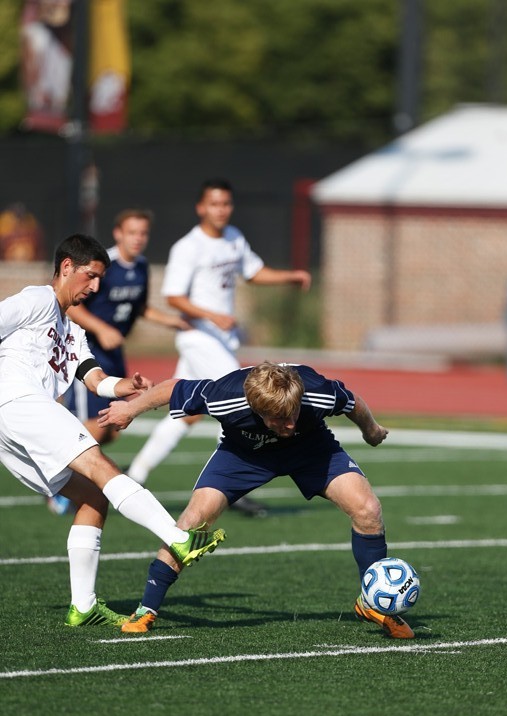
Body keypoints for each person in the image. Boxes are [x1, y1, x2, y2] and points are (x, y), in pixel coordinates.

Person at [0, 233, 225, 628]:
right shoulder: (38, 299)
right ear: (66, 267)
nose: (95, 287)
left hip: (13, 419)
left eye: (100, 279)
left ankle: (83, 607)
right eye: (90, 276)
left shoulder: (73, 329)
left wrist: (130, 388)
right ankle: (178, 538)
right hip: (17, 401)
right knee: (101, 466)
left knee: (93, 497)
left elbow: (96, 379)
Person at [99, 361, 415, 640]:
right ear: (256, 408)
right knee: (191, 523)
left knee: (368, 509)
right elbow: (172, 388)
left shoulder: (316, 392)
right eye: (278, 418)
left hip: (310, 449)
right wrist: (129, 409)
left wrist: (371, 430)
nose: (288, 424)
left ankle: (374, 604)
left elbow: (352, 402)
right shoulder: (225, 396)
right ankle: (147, 608)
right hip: (243, 455)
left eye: (292, 414)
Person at [127, 178, 312, 518]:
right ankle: (232, 487)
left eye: (226, 203)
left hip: (220, 340)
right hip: (198, 337)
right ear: (201, 207)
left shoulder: (233, 238)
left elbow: (254, 272)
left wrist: (291, 276)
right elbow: (174, 297)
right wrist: (213, 316)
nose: (221, 210)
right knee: (242, 397)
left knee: (184, 415)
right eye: (214, 203)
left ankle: (134, 476)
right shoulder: (188, 246)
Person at [47, 208, 190, 514]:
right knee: (96, 426)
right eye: (132, 232)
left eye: (143, 233)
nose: (138, 239)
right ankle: (60, 485)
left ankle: (65, 472)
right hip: (88, 354)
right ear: (118, 233)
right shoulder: (102, 265)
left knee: (112, 426)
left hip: (114, 355)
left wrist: (173, 321)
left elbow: (140, 308)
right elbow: (71, 305)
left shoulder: (141, 266)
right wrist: (101, 328)